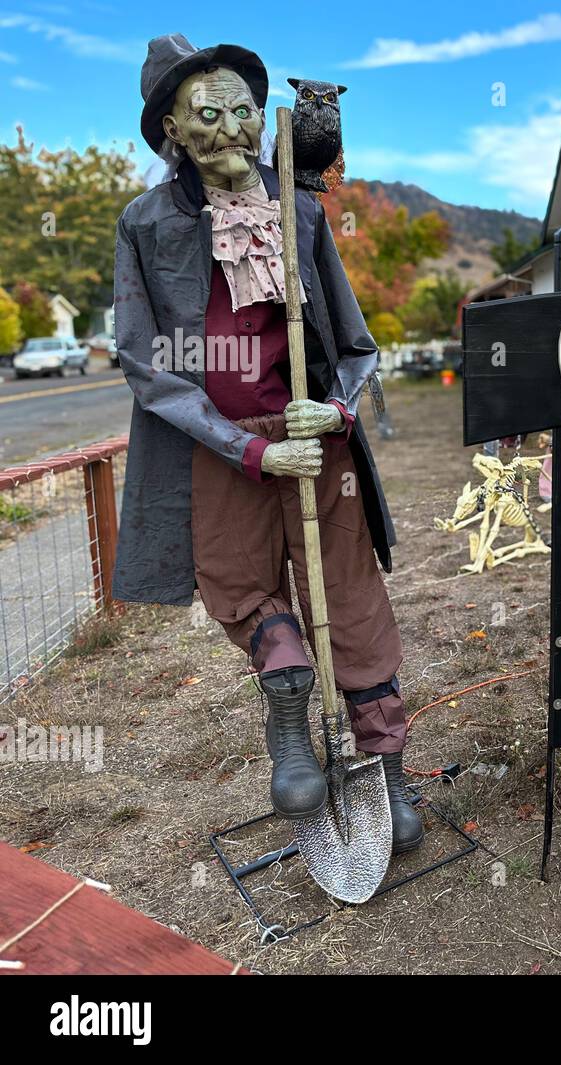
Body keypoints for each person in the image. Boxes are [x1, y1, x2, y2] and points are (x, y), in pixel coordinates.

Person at [111, 34, 422, 853]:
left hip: (318, 451)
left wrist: (336, 411)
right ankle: (289, 704)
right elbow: (147, 365)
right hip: (223, 453)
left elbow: (355, 348)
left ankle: (384, 767)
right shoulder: (145, 225)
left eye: (242, 110)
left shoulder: (302, 211)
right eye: (205, 113)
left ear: (261, 119)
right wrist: (249, 450)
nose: (228, 128)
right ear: (173, 128)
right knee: (241, 586)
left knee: (351, 597)